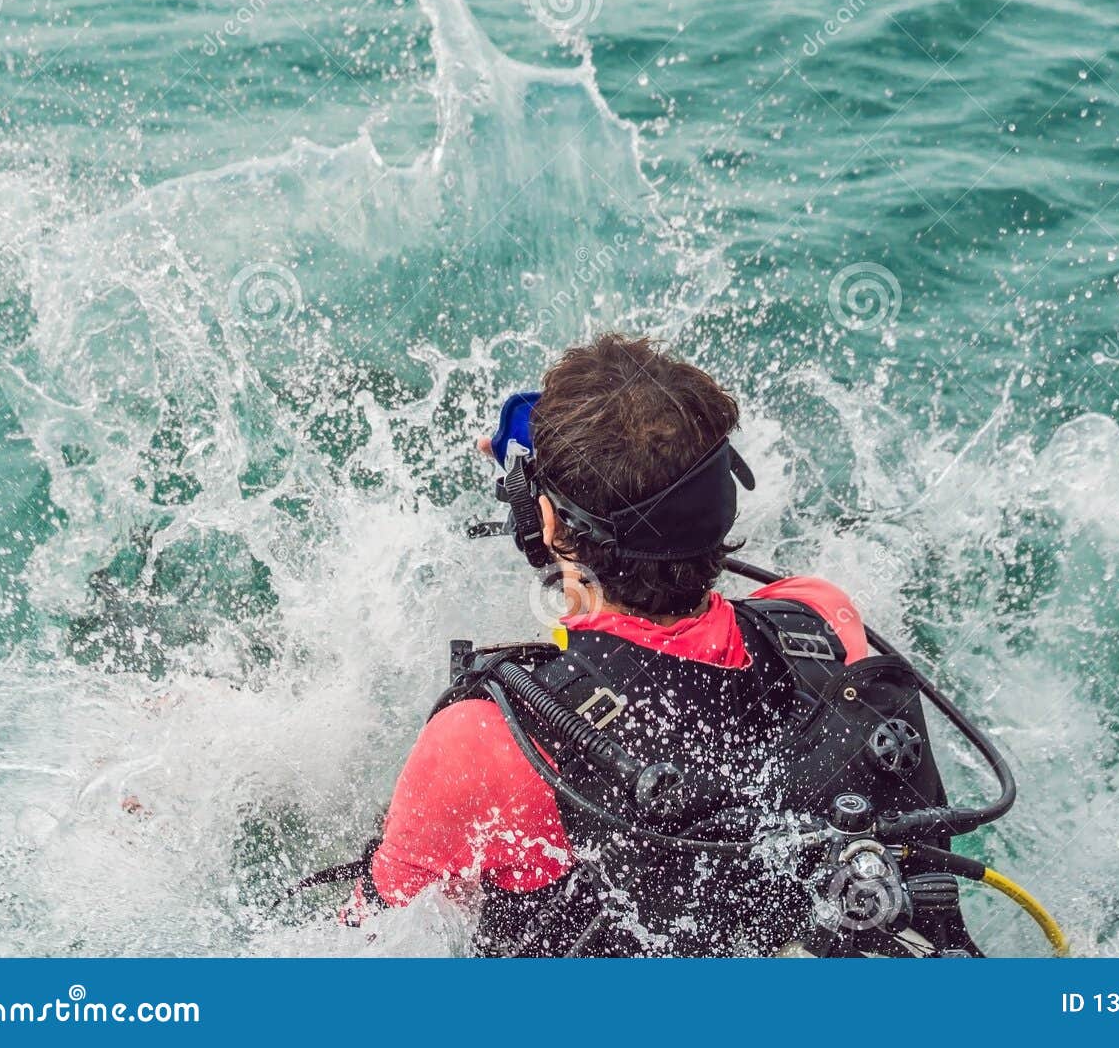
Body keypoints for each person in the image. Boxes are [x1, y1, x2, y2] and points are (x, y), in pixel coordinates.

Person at [352, 333, 968, 956]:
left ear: (545, 522)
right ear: (723, 504)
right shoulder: (823, 622)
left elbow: (374, 953)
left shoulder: (487, 743)